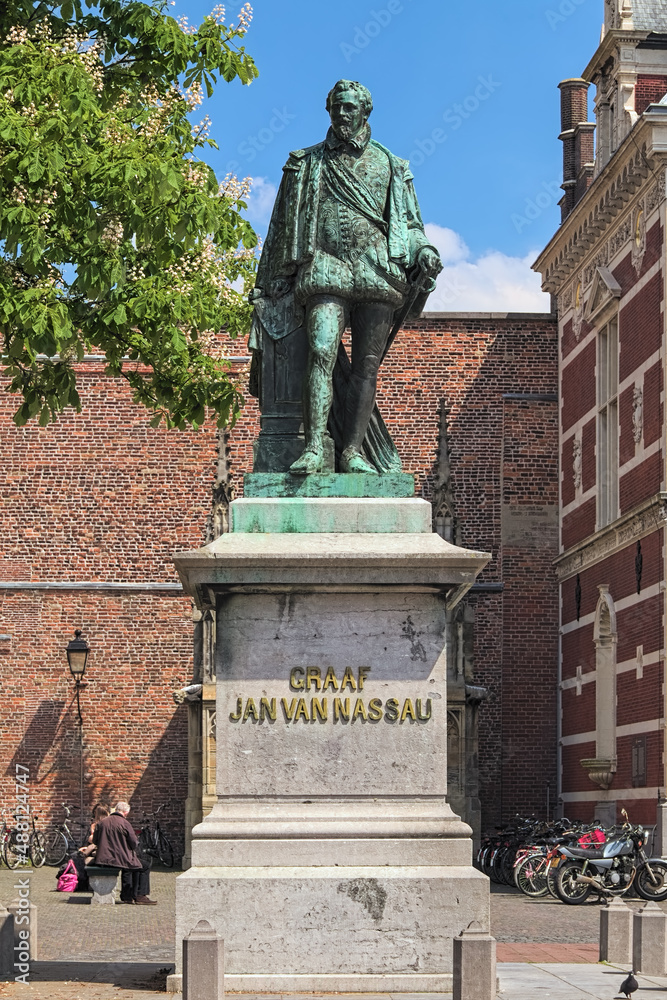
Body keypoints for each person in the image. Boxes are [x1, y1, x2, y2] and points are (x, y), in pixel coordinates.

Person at [251, 79, 442, 475]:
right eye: (336, 107)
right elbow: (280, 227)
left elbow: (409, 225)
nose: (341, 114)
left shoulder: (392, 164)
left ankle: (352, 452)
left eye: (349, 107)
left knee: (367, 365)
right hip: (326, 267)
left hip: (376, 270)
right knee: (320, 351)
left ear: (364, 112)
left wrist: (425, 251)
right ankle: (314, 448)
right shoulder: (306, 163)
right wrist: (267, 283)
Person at [93, 801, 157, 905]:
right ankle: (140, 895)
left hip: (103, 859)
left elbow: (95, 840)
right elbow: (133, 843)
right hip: (119, 859)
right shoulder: (125, 823)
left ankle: (127, 896)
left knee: (131, 865)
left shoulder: (102, 823)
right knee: (144, 866)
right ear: (126, 812)